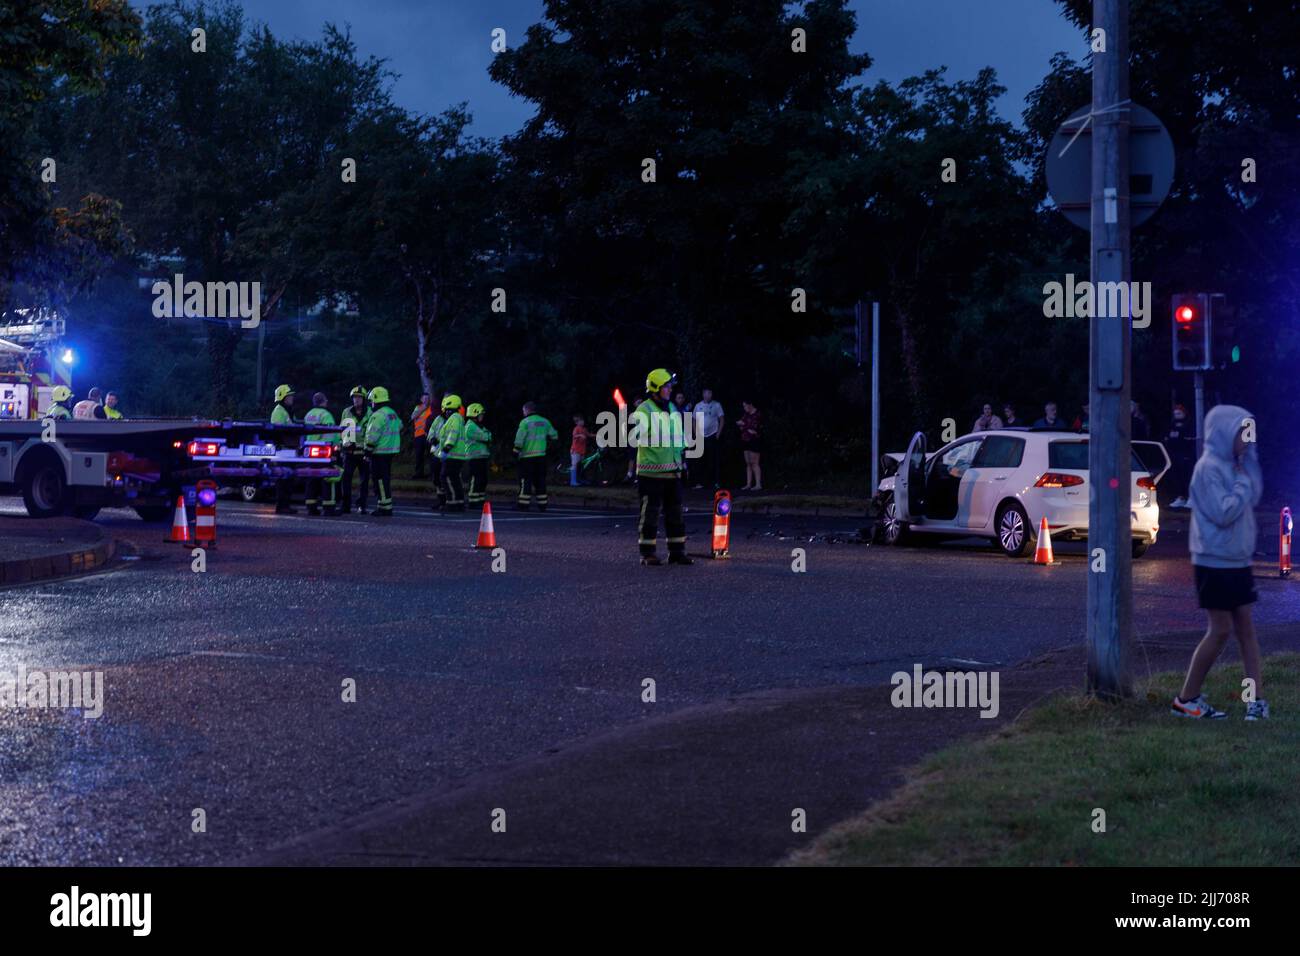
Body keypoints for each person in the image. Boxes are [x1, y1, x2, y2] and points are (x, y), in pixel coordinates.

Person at [1171, 405, 1266, 720]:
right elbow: (1224, 512)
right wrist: (1241, 484)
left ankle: (1254, 701)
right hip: (1214, 561)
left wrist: (1248, 466)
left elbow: (1253, 496)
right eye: (1243, 433)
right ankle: (1187, 697)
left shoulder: (1235, 465)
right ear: (1226, 433)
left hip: (1236, 560)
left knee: (1246, 631)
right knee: (1221, 629)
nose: (1247, 440)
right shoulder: (1208, 468)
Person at [632, 368, 691, 566]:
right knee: (650, 515)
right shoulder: (644, 410)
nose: (670, 389)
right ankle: (647, 553)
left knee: (676, 514)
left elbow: (679, 438)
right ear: (656, 388)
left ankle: (677, 552)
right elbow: (635, 437)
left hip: (672, 472)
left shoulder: (672, 408)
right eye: (666, 386)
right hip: (651, 473)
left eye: (670, 386)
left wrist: (682, 462)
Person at [363, 386, 401, 517]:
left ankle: (385, 508)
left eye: (371, 401)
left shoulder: (377, 415)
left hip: (378, 452)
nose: (371, 404)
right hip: (390, 452)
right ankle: (383, 505)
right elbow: (400, 426)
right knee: (385, 479)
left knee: (379, 480)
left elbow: (372, 436)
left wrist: (367, 451)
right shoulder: (392, 413)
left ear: (376, 400)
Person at [514, 402, 558, 511]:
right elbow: (554, 436)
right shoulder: (545, 421)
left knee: (526, 481)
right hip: (541, 457)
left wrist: (515, 452)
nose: (523, 413)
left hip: (527, 458)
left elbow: (519, 440)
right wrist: (547, 446)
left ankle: (523, 505)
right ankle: (542, 505)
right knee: (541, 481)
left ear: (527, 410)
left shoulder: (525, 422)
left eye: (524, 411)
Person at [303, 392, 338, 516]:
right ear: (323, 401)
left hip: (309, 450)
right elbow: (331, 433)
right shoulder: (326, 415)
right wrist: (334, 449)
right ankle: (329, 507)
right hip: (323, 451)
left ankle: (311, 506)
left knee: (311, 478)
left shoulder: (309, 414)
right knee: (328, 478)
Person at [338, 386, 370, 515]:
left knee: (364, 481)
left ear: (364, 399)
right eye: (354, 397)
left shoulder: (370, 413)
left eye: (359, 397)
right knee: (346, 480)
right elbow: (343, 431)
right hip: (349, 452)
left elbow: (372, 432)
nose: (356, 400)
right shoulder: (346, 412)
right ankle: (345, 505)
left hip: (364, 452)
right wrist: (346, 443)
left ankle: (362, 505)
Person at [270, 384, 297, 514]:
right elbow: (277, 431)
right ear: (282, 397)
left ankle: (285, 505)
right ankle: (281, 505)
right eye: (289, 396)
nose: (292, 398)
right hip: (283, 449)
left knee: (288, 478)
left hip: (289, 449)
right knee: (283, 478)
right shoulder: (279, 411)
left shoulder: (287, 411)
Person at [1163, 403, 1195, 509]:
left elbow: (1189, 440)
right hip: (1174, 455)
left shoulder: (1189, 425)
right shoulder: (1171, 425)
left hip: (1186, 456)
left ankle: (1191, 498)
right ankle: (1181, 497)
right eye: (1175, 413)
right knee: (1177, 477)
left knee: (1188, 476)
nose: (1177, 415)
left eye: (1179, 413)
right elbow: (1167, 438)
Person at [438, 394, 467, 512]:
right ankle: (459, 503)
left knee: (446, 477)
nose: (445, 413)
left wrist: (446, 448)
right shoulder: (458, 418)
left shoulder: (454, 418)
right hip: (457, 455)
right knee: (455, 479)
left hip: (452, 454)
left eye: (445, 410)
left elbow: (452, 434)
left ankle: (452, 503)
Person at [693, 388, 725, 489]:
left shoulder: (716, 405)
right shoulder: (698, 406)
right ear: (703, 394)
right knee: (700, 460)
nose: (709, 395)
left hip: (712, 435)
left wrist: (718, 434)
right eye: (707, 393)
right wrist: (696, 433)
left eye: (710, 393)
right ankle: (700, 483)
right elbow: (693, 420)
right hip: (701, 436)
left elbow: (722, 419)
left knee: (713, 460)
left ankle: (715, 482)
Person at [463, 403, 493, 508]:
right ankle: (473, 501)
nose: (482, 416)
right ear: (474, 414)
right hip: (473, 458)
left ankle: (479, 500)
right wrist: (487, 435)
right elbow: (486, 437)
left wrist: (488, 435)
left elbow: (489, 436)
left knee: (482, 480)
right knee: (476, 480)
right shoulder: (470, 427)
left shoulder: (477, 426)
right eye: (481, 414)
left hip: (481, 458)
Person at [426, 397, 448, 511]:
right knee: (436, 479)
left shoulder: (453, 420)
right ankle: (441, 501)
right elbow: (431, 432)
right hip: (435, 453)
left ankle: (447, 501)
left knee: (444, 478)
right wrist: (432, 439)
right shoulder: (438, 419)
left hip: (446, 455)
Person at [738, 400, 762, 491]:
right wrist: (745, 427)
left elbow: (754, 429)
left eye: (745, 406)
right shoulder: (746, 415)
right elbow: (741, 424)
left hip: (754, 440)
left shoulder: (757, 414)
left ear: (750, 404)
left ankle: (758, 484)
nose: (744, 408)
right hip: (745, 439)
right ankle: (748, 484)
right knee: (748, 463)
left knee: (754, 462)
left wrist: (744, 426)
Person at [410, 393, 433, 479]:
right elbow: (412, 417)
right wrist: (423, 409)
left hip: (429, 435)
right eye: (424, 398)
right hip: (419, 435)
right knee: (419, 456)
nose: (426, 400)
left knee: (431, 455)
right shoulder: (418, 408)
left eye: (427, 398)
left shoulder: (431, 409)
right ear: (421, 399)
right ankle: (419, 474)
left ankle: (432, 474)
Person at [570, 415, 589, 486]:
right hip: (575, 450)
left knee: (581, 466)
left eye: (582, 420)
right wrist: (580, 435)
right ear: (577, 423)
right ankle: (573, 481)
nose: (582, 422)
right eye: (580, 421)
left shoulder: (584, 429)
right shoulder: (576, 428)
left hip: (582, 450)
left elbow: (588, 435)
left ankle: (580, 480)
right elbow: (574, 435)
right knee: (574, 465)